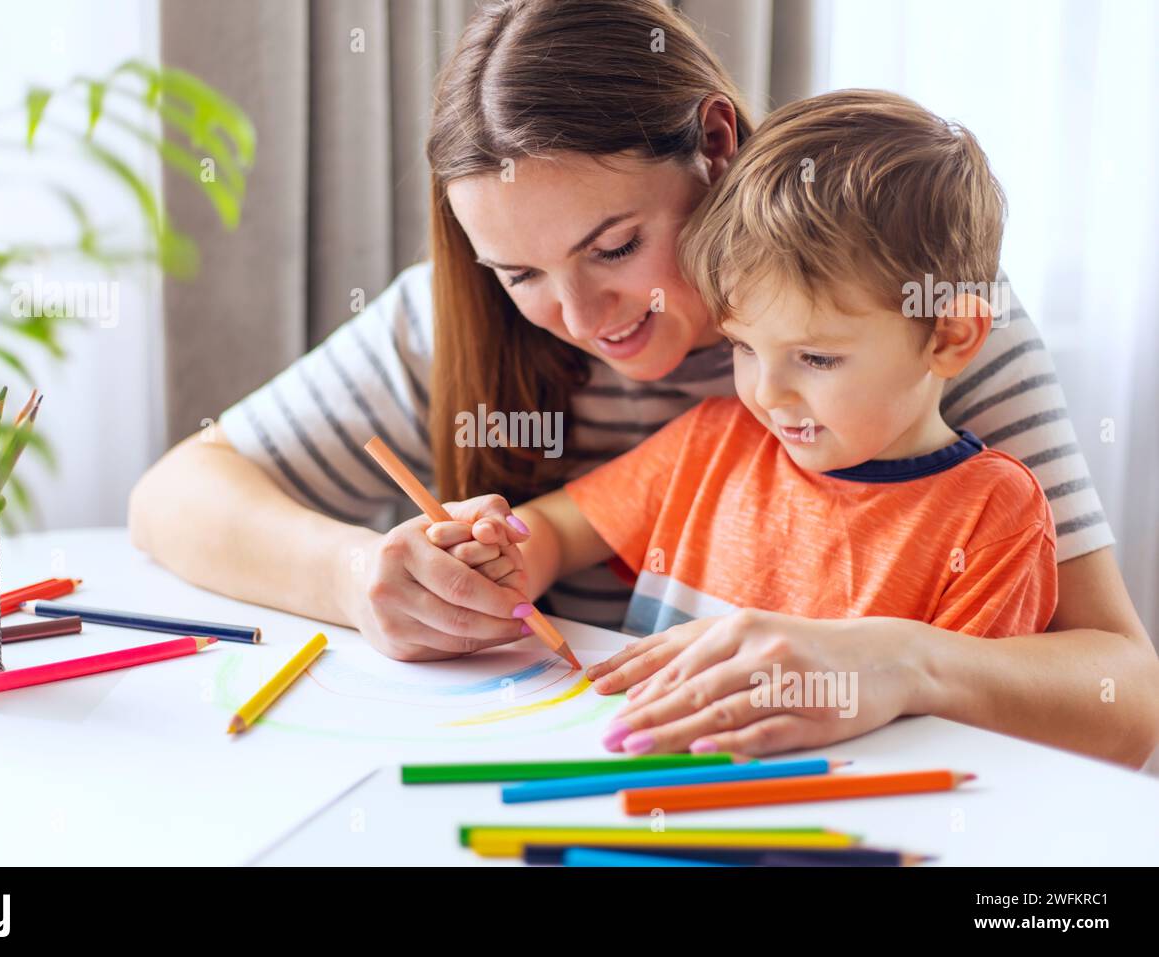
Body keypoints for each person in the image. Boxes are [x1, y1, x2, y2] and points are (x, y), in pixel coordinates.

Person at [128, 0, 1158, 766]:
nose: (583, 319)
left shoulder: (900, 310)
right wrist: (354, 577)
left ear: (714, 147)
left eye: (614, 246)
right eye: (520, 274)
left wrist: (902, 662)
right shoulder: (455, 320)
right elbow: (174, 494)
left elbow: (1125, 692)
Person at [427, 89, 1059, 758]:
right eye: (744, 347)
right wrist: (499, 553)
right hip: (638, 775)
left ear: (951, 335)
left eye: (815, 357)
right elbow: (553, 530)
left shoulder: (995, 514)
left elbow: (972, 733)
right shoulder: (714, 439)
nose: (768, 391)